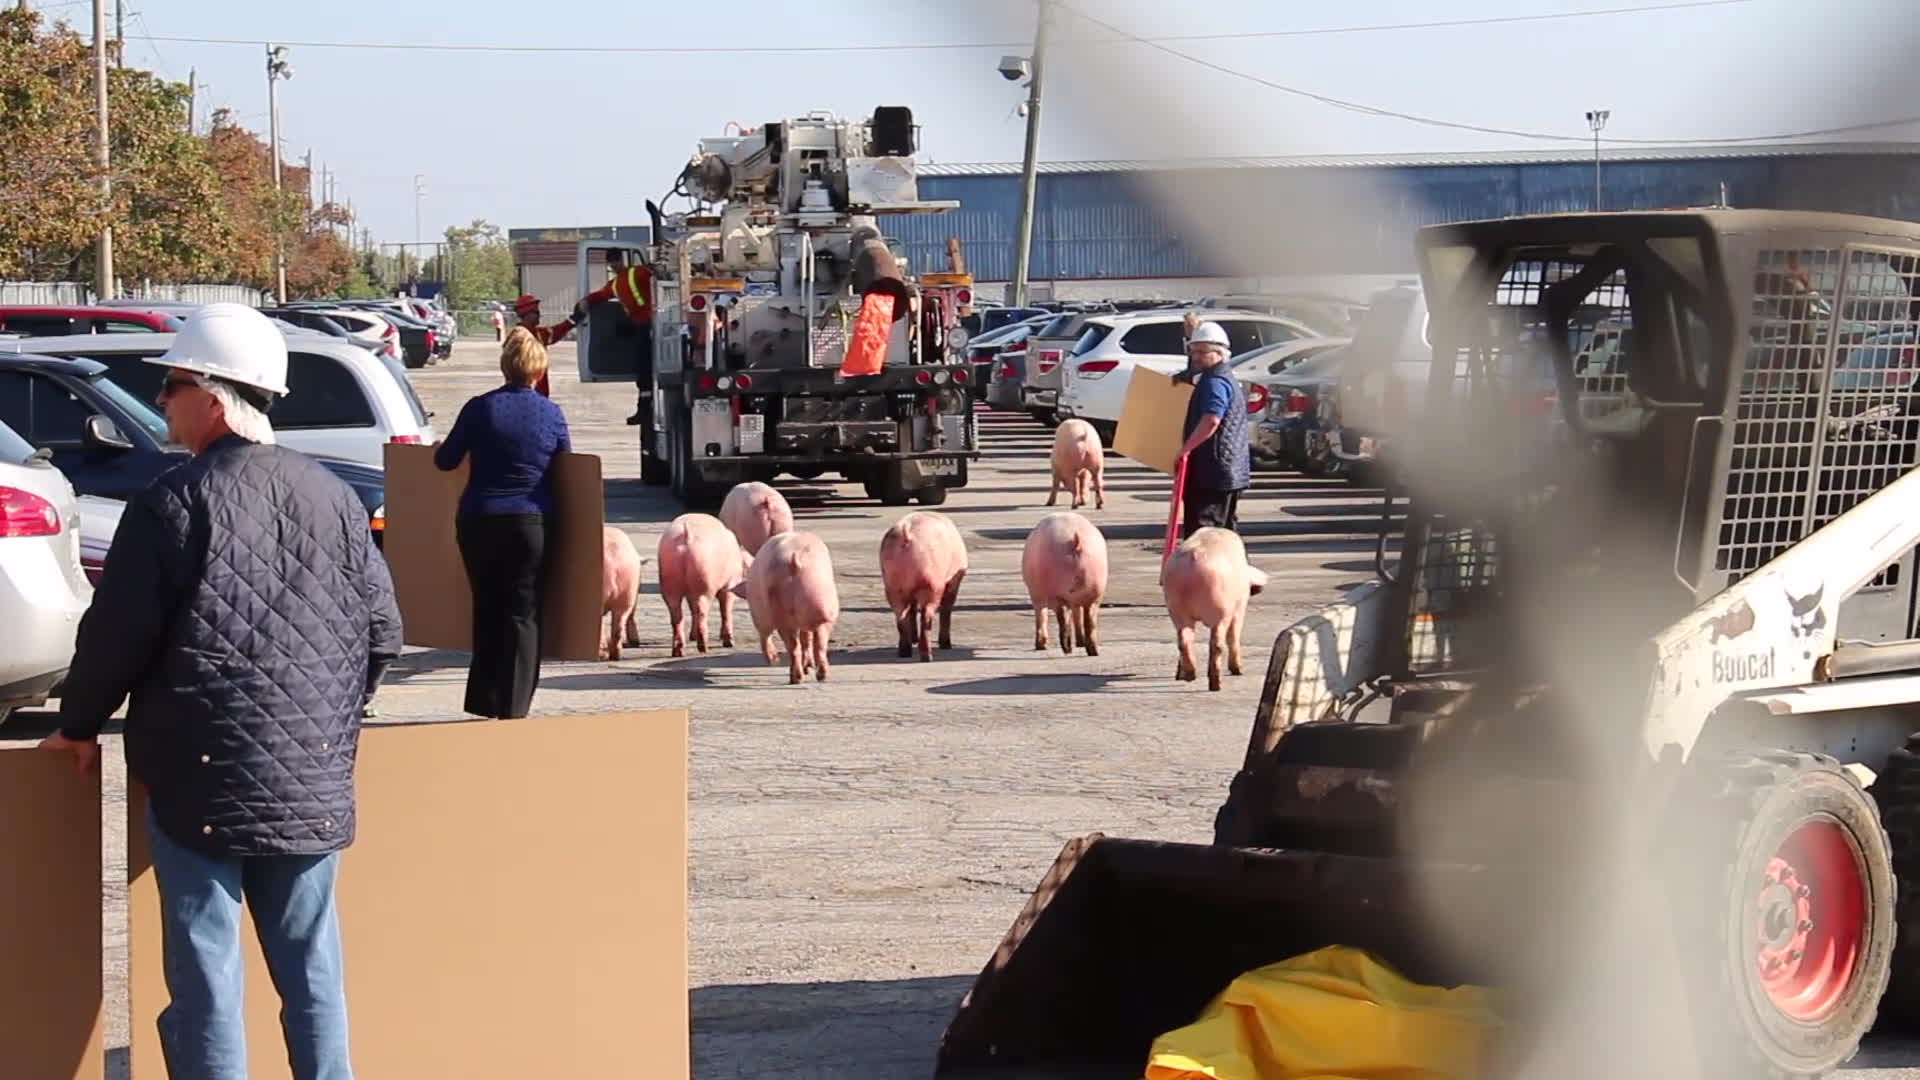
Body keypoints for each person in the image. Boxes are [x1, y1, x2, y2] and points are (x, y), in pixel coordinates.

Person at [39, 302, 402, 1080]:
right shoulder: (335, 498)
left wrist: (77, 724)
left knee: (207, 976)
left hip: (196, 781)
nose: (162, 401)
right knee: (312, 971)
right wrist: (333, 717)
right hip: (310, 776)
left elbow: (116, 637)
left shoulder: (173, 502)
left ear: (213, 394)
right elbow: (384, 632)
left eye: (169, 385)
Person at [434, 326, 571, 720]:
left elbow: (445, 461)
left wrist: (443, 447)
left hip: (479, 520)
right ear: (538, 370)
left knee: (487, 606)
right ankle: (514, 706)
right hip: (531, 523)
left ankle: (484, 699)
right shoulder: (551, 413)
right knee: (522, 613)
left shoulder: (479, 408)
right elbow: (566, 466)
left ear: (505, 365)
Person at [1175, 319, 1251, 539]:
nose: (1196, 356)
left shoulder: (1214, 381)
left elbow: (1211, 419)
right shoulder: (1222, 377)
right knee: (1225, 534)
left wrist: (1185, 450)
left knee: (1205, 537)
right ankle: (1237, 572)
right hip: (1227, 471)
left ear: (1219, 353)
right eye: (1193, 351)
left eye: (1202, 352)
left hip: (1212, 472)